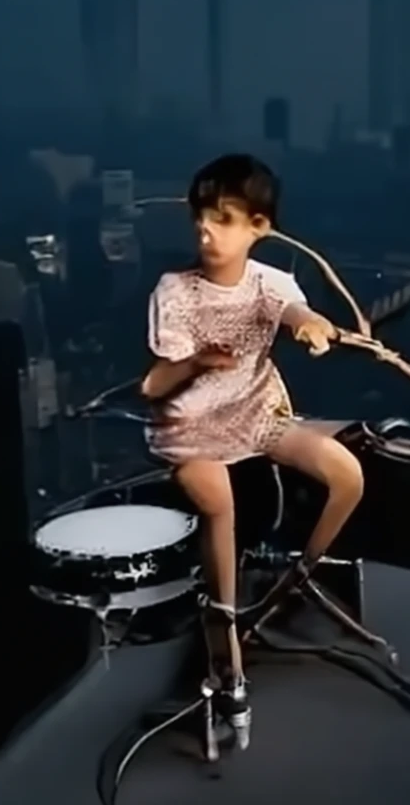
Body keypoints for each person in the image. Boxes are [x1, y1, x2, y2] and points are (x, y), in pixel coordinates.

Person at [139, 153, 367, 724]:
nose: (205, 230)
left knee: (347, 475)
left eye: (223, 218)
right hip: (191, 428)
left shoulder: (270, 282)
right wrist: (197, 362)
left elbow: (293, 310)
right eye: (201, 216)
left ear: (259, 227)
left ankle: (294, 583)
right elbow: (152, 385)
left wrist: (311, 326)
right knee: (218, 500)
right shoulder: (175, 291)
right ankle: (226, 653)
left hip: (255, 414)